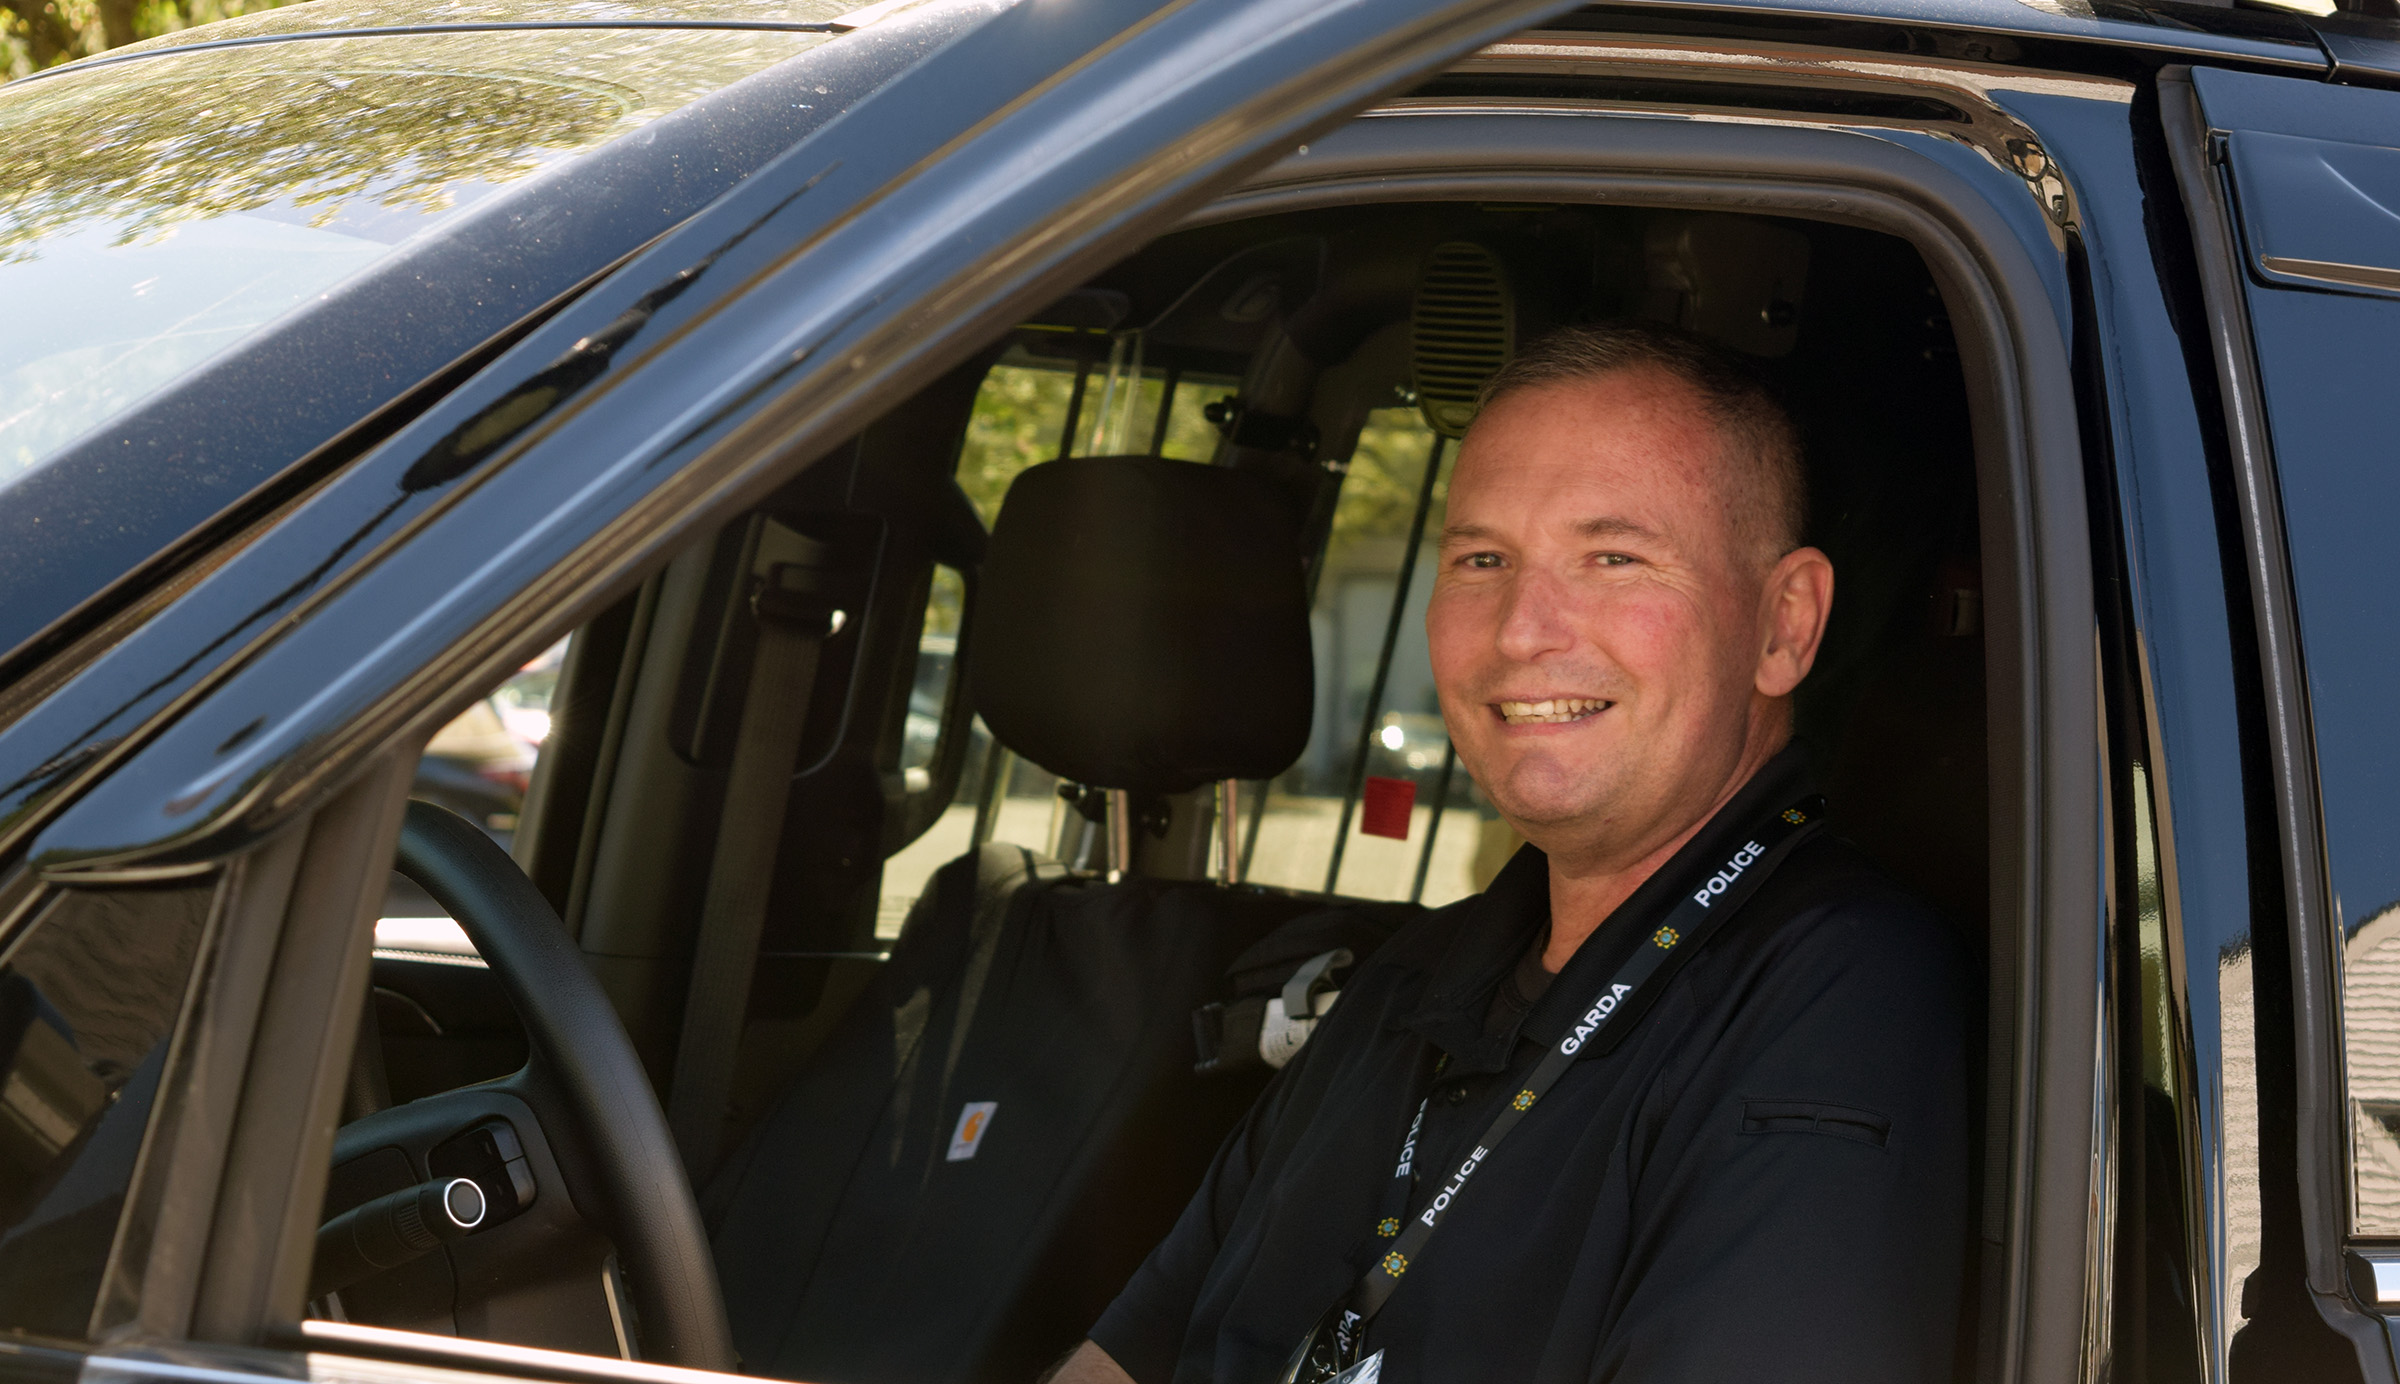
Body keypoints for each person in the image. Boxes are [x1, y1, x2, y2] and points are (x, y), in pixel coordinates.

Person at [1052, 323, 1973, 1384]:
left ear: (1783, 624)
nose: (1523, 629)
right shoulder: (1406, 980)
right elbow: (1129, 1356)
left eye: (1613, 556)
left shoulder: (1839, 994)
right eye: (1483, 559)